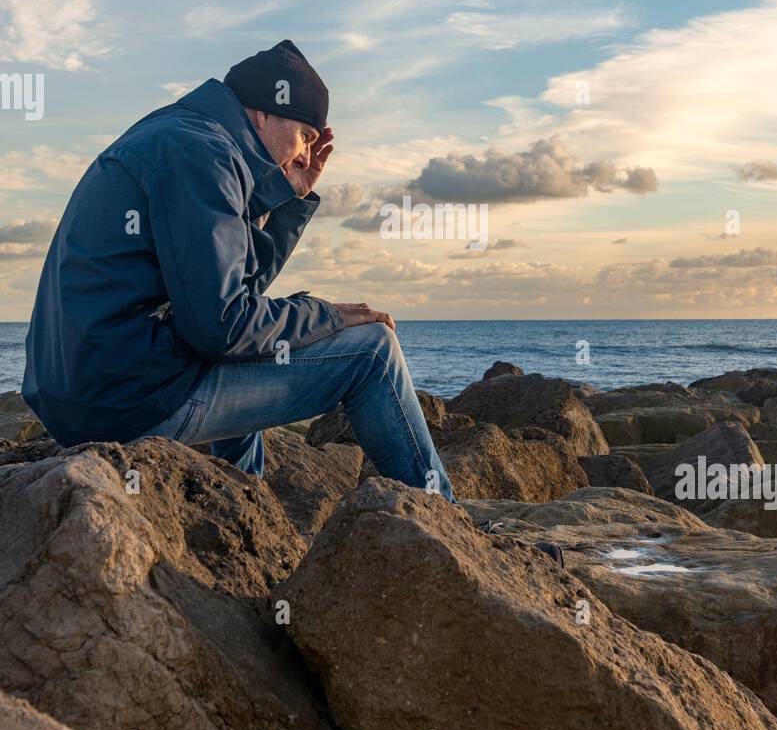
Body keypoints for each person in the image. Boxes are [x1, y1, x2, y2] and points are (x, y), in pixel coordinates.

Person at [22, 39, 455, 501]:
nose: (309, 155)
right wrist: (327, 314)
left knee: (259, 344)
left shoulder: (181, 135)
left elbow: (230, 297)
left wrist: (284, 200)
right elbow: (225, 327)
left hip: (82, 393)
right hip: (127, 402)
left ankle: (241, 506)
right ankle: (442, 518)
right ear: (265, 112)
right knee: (372, 351)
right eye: (307, 136)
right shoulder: (204, 156)